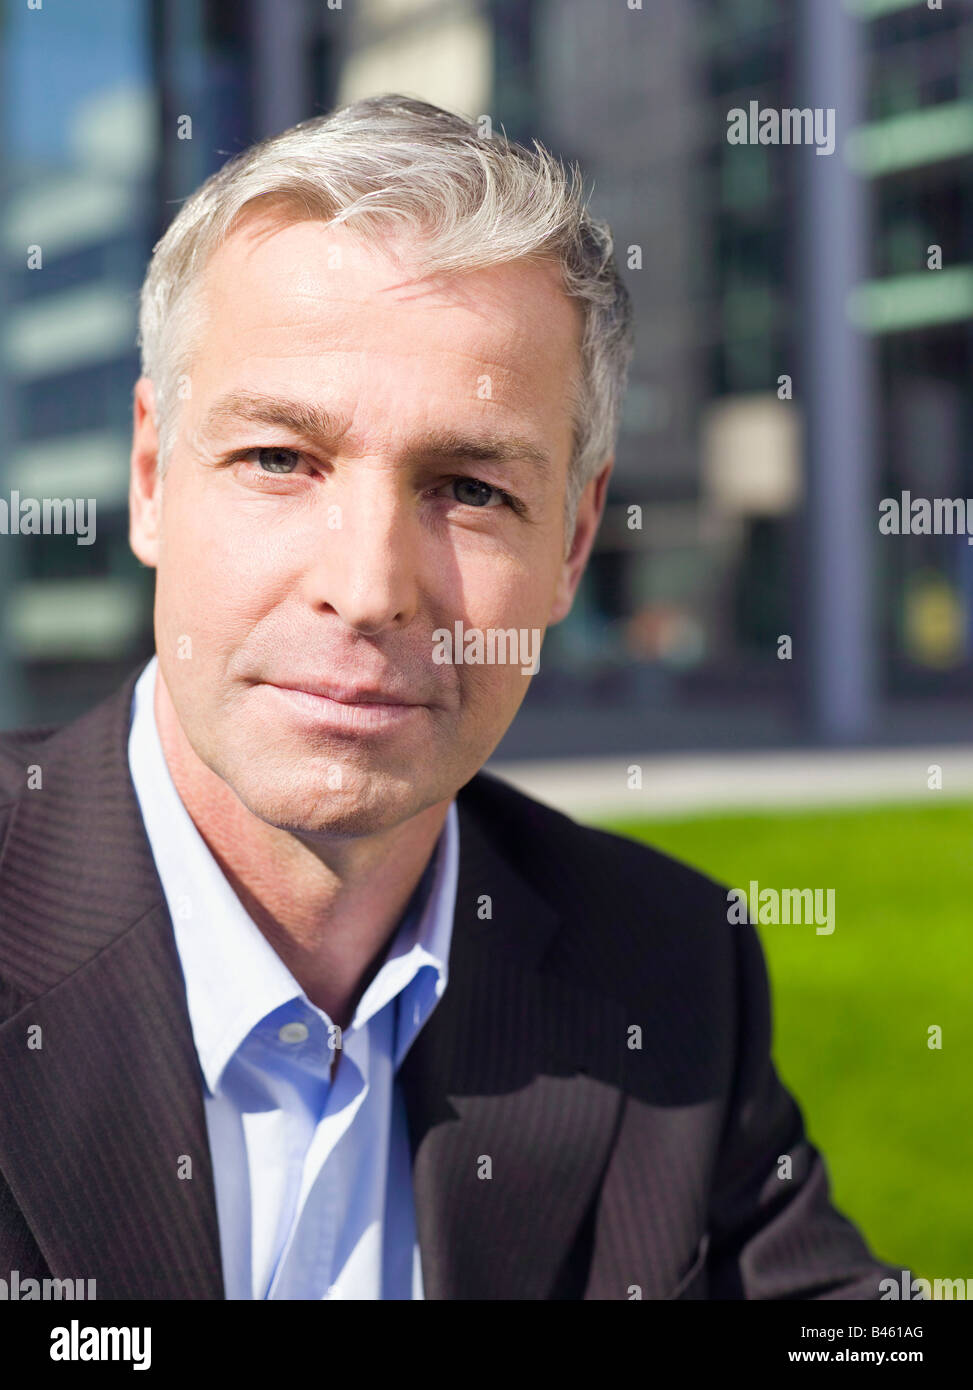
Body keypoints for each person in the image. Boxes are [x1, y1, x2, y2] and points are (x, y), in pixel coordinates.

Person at [0, 95, 909, 1300]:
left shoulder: (663, 965)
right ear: (154, 475)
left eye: (470, 488)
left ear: (573, 543)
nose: (368, 589)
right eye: (280, 459)